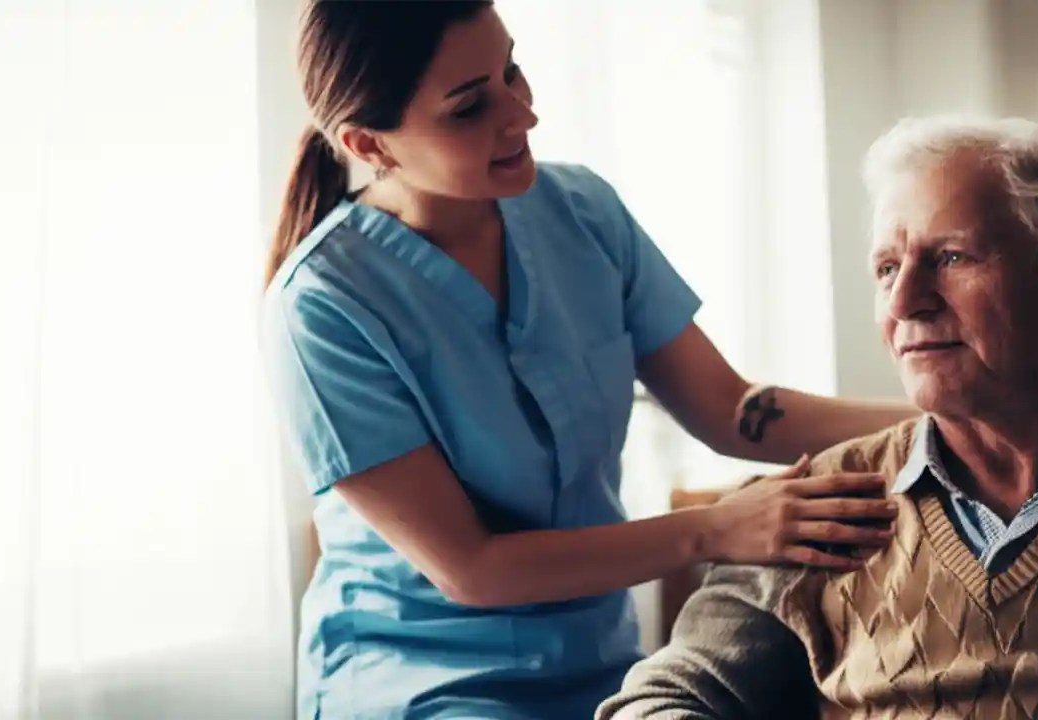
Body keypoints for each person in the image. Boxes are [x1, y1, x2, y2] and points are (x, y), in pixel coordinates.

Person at [260, 2, 914, 717]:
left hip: (603, 667)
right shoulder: (323, 305)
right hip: (421, 683)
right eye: (471, 107)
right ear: (369, 143)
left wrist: (945, 413)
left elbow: (732, 410)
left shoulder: (584, 213)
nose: (521, 115)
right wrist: (720, 529)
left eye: (511, 71)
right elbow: (472, 569)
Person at [599, 116, 1038, 719]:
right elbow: (665, 696)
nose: (904, 302)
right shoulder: (818, 506)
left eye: (953, 257)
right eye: (887, 269)